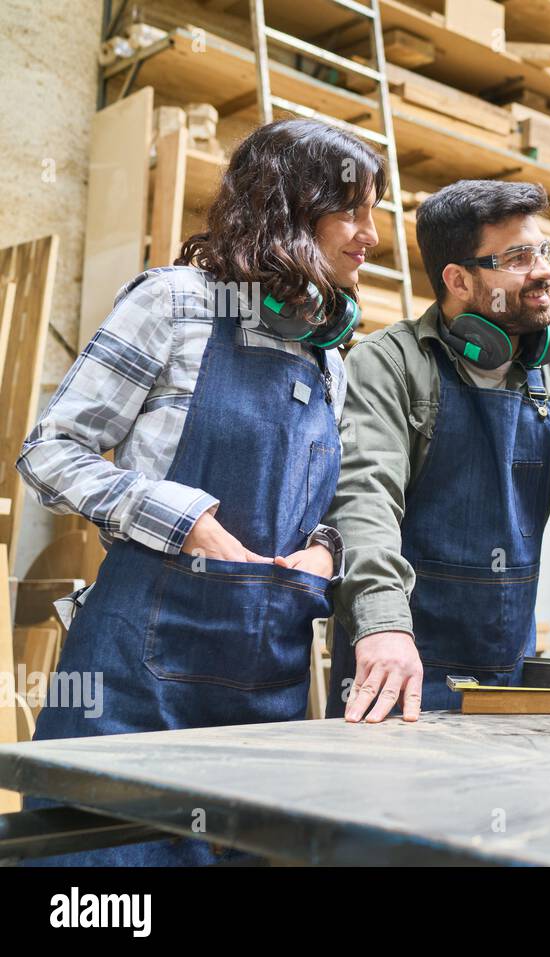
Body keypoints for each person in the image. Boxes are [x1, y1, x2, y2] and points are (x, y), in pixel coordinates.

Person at [16, 117, 380, 864]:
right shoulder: (175, 303)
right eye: (353, 211)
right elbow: (48, 452)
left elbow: (330, 502)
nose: (371, 235)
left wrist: (325, 550)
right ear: (290, 205)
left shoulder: (327, 357)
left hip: (265, 695)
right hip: (137, 682)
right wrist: (186, 520)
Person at [325, 179, 550, 720]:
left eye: (542, 251)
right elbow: (363, 501)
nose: (542, 270)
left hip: (506, 674)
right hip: (389, 668)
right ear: (459, 280)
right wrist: (384, 624)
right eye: (516, 257)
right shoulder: (388, 365)